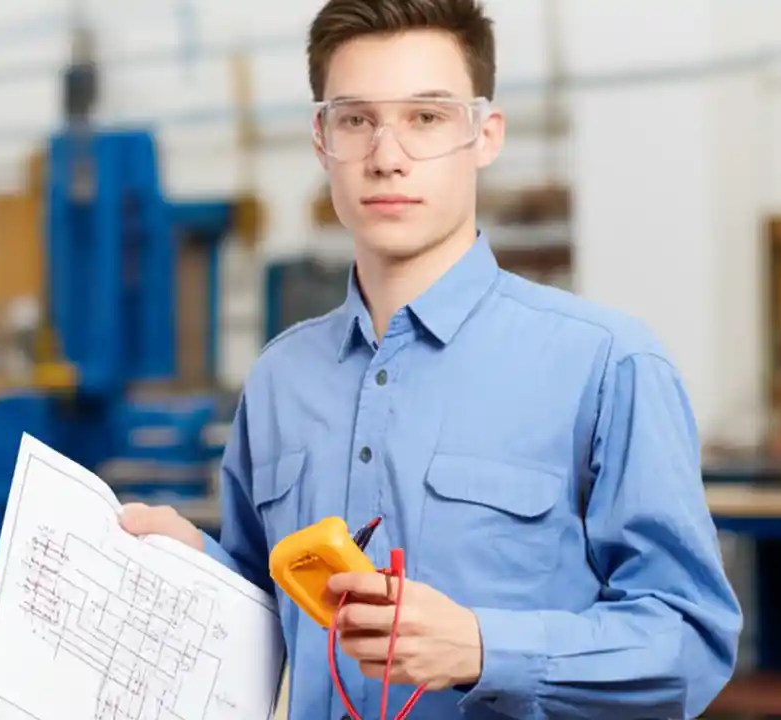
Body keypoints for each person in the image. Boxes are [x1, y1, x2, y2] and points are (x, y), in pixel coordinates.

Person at [121, 0, 743, 717]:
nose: (388, 156)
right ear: (322, 139)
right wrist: (194, 570)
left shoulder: (606, 366)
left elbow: (690, 640)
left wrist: (483, 648)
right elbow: (274, 617)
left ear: (485, 135)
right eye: (357, 120)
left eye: (426, 118)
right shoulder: (281, 379)